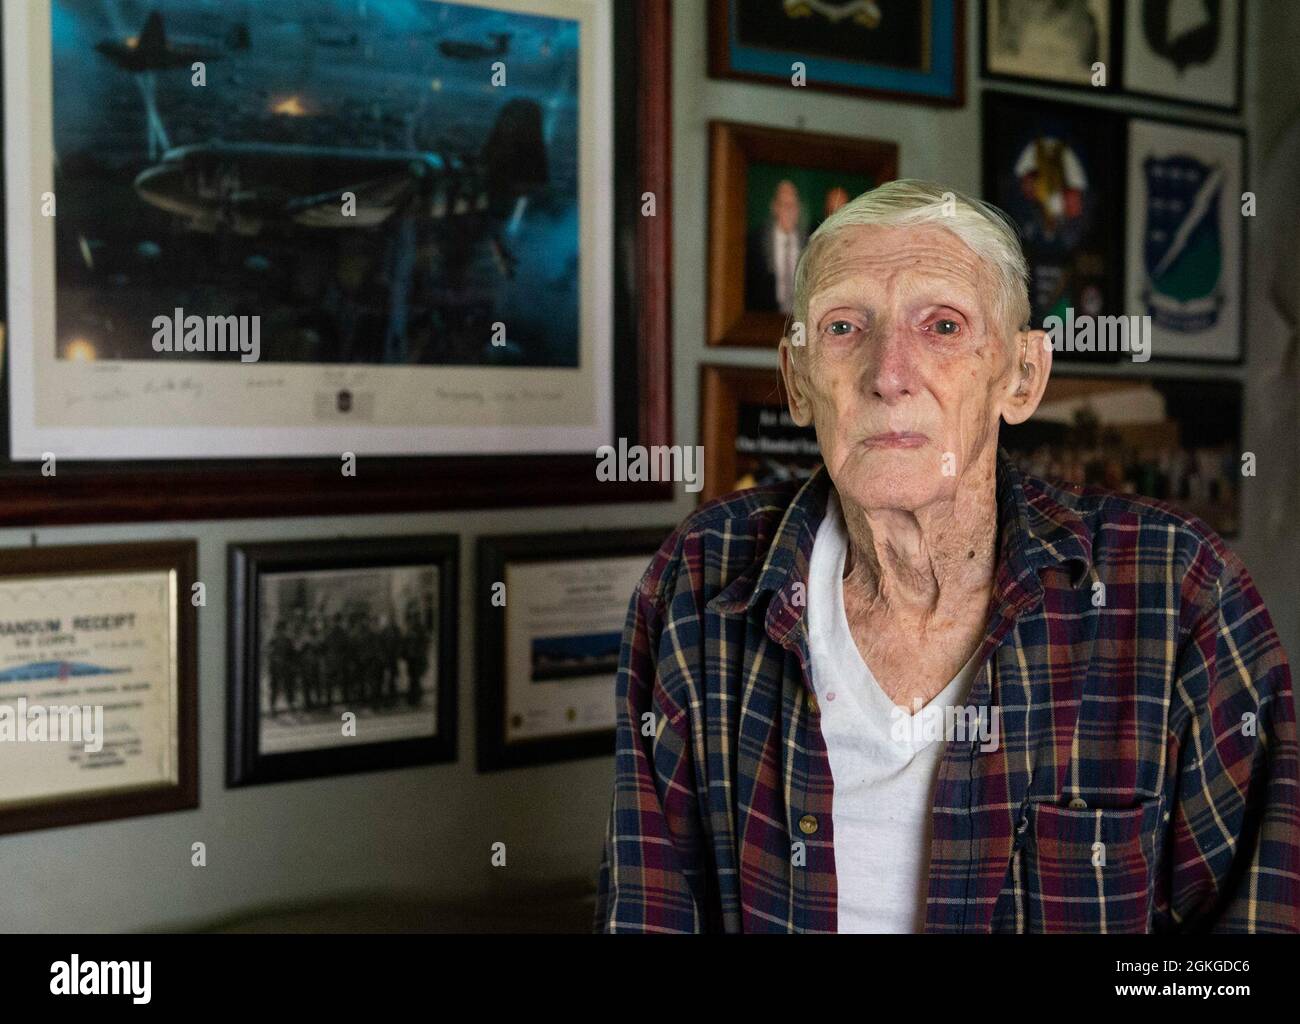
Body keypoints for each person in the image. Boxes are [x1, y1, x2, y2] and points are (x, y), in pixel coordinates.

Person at [595, 179, 1299, 933]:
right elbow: (648, 914)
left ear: (1021, 377)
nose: (888, 373)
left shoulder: (1177, 591)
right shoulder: (700, 580)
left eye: (942, 325)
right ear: (797, 381)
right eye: (842, 327)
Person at [745, 179, 806, 314]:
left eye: (793, 205)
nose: (789, 211)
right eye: (785, 205)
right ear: (775, 207)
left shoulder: (809, 243)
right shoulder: (756, 243)